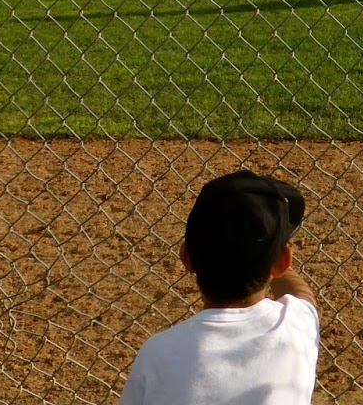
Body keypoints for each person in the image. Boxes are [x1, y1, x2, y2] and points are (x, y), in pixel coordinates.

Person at [118, 169, 319, 405]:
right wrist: (266, 254)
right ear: (282, 262)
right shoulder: (296, 329)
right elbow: (302, 295)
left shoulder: (157, 354)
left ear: (186, 257)